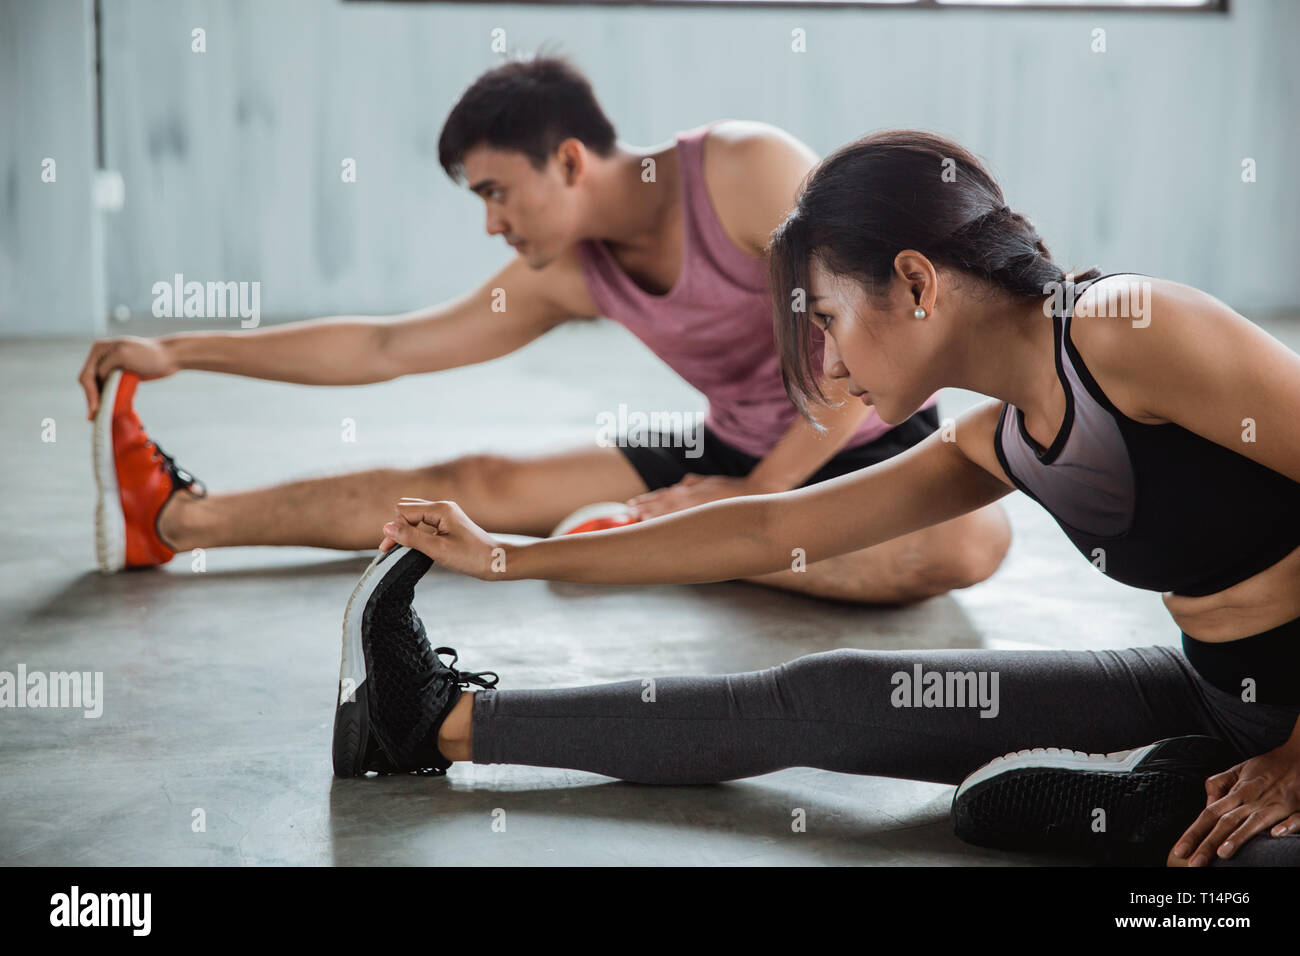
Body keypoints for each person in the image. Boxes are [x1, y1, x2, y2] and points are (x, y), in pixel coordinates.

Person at [358, 130, 1300, 867]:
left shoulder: (1130, 332)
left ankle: (1170, 812)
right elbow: (774, 529)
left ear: (917, 282)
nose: (829, 365)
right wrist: (508, 557)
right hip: (1211, 697)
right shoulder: (1002, 435)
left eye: (831, 321)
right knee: (832, 697)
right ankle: (434, 723)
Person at [79, 54, 1009, 604]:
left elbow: (863, 339)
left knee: (974, 544)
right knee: (477, 483)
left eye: (495, 191)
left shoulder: (746, 170)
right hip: (727, 452)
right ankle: (177, 520)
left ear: (567, 160)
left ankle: (652, 544)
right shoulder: (570, 270)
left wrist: (737, 503)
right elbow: (388, 347)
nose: (490, 222)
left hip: (870, 434)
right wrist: (181, 349)